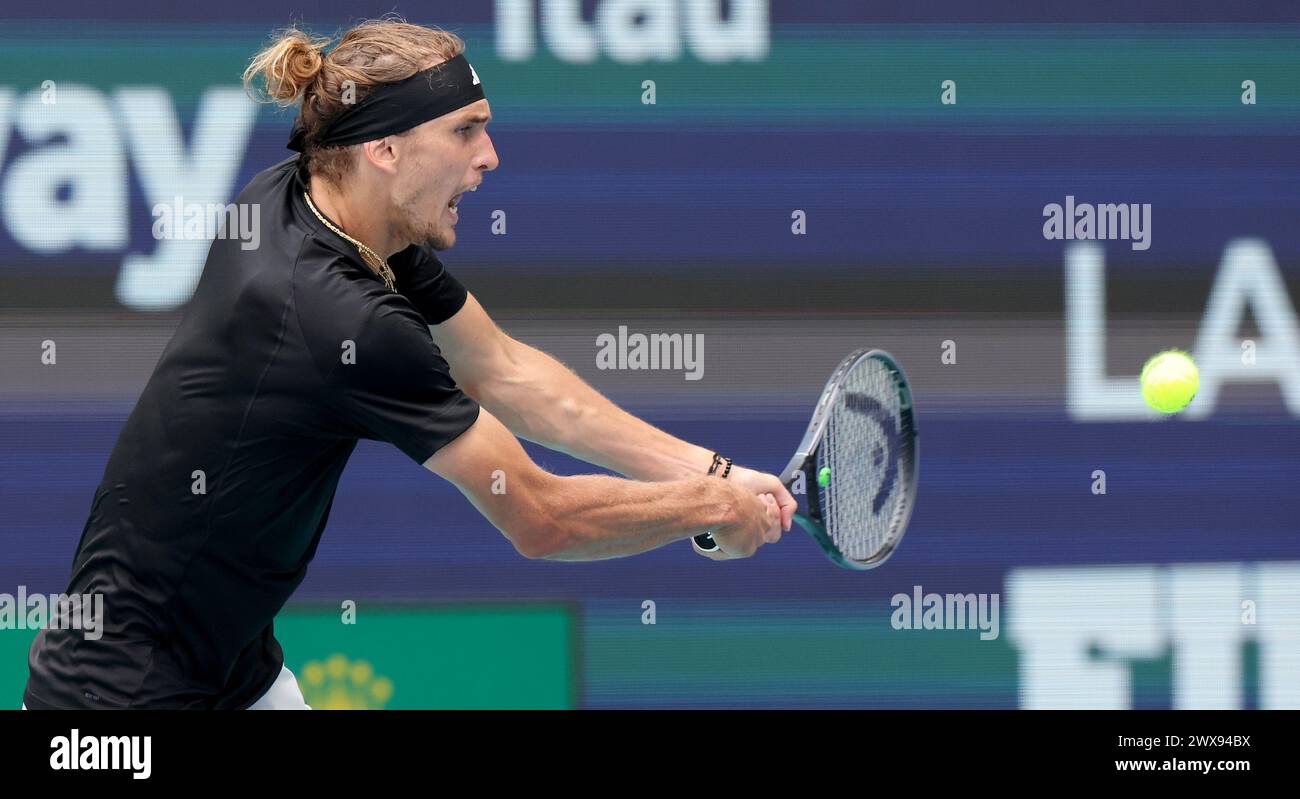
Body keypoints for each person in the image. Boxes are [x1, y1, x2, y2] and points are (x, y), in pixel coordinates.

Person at [21, 18, 795, 711]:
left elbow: (503, 371)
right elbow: (541, 517)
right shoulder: (344, 319)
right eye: (465, 131)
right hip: (119, 700)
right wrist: (707, 508)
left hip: (233, 669)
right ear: (385, 149)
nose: (490, 157)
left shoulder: (306, 200)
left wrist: (713, 471)